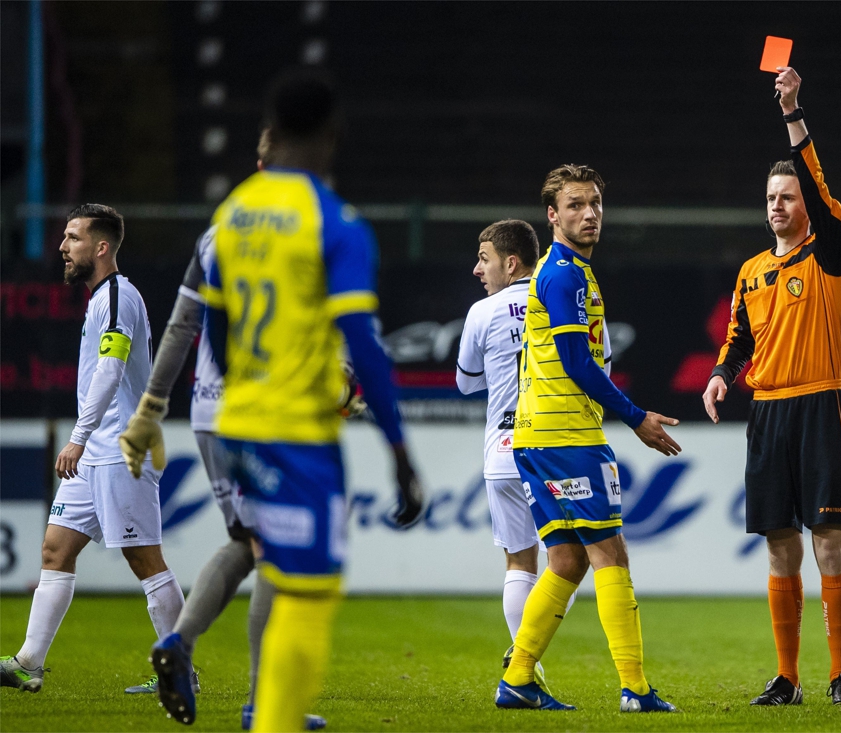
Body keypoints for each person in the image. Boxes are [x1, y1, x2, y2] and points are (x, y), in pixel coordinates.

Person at [132, 69, 423, 732]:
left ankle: (209, 663)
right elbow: (366, 346)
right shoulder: (336, 222)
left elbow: (218, 328)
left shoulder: (230, 214)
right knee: (307, 590)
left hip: (234, 420)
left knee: (261, 551)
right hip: (296, 432)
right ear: (333, 133)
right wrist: (399, 448)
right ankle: (270, 714)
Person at [117, 134, 340, 730]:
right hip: (262, 416)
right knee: (274, 550)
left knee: (247, 541)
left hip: (212, 414)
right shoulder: (313, 225)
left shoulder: (220, 230)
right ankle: (260, 702)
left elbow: (182, 326)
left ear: (261, 164)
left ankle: (180, 643)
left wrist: (151, 408)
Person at [703, 67, 841, 706]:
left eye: (788, 196)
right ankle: (787, 677)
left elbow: (821, 190)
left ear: (808, 205)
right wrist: (720, 375)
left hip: (821, 404)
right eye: (771, 196)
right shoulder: (750, 271)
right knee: (778, 544)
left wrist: (794, 115)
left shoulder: (829, 252)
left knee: (828, 540)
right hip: (767, 412)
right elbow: (739, 338)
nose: (778, 204)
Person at [494, 165, 680, 713]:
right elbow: (577, 362)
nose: (589, 213)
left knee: (568, 561)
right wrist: (634, 416)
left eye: (595, 202)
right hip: (566, 435)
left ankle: (519, 677)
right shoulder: (564, 275)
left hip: (539, 435)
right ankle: (636, 688)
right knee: (611, 554)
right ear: (552, 216)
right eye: (575, 205)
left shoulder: (568, 271)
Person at [1, 205, 193, 696]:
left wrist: (78, 437)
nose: (63, 247)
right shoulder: (102, 300)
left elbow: (110, 370)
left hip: (119, 448)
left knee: (144, 559)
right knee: (55, 548)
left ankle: (181, 670)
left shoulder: (115, 296)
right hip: (98, 450)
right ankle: (29, 663)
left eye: (72, 238)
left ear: (101, 247)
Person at [455, 219, 586, 690]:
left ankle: (522, 661)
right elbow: (597, 365)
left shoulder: (483, 312)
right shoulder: (566, 294)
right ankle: (523, 659)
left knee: (519, 562)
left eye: (484, 258)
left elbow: (466, 382)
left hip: (503, 450)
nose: (477, 269)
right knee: (569, 560)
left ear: (511, 263)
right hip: (556, 446)